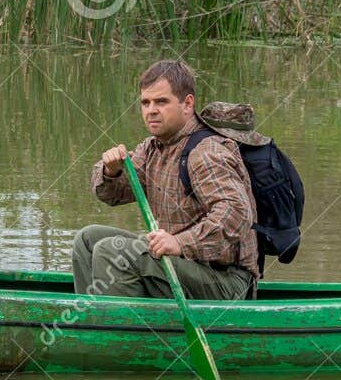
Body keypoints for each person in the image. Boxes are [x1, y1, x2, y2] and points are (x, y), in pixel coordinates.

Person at [72, 59, 259, 300]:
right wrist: (111, 171)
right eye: (145, 102)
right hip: (182, 265)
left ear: (187, 104)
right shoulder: (153, 148)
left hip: (226, 283)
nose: (151, 110)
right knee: (88, 240)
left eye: (161, 102)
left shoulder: (206, 152)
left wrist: (181, 243)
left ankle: (122, 335)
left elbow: (236, 214)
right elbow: (112, 195)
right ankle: (91, 324)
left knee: (110, 252)